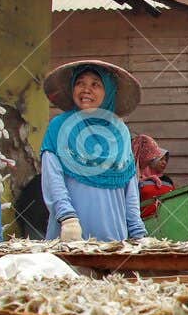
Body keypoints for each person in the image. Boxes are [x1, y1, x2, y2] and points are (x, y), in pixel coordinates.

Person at [40, 60, 147, 242]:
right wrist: (67, 218)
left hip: (114, 241)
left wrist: (137, 231)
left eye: (95, 84)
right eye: (80, 83)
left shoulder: (121, 133)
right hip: (71, 238)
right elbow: (52, 177)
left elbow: (130, 188)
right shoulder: (59, 127)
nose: (86, 89)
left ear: (109, 92)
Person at [132, 133, 176, 221]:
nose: (164, 162)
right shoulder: (135, 179)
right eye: (161, 159)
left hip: (167, 221)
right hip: (143, 222)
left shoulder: (167, 181)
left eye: (166, 160)